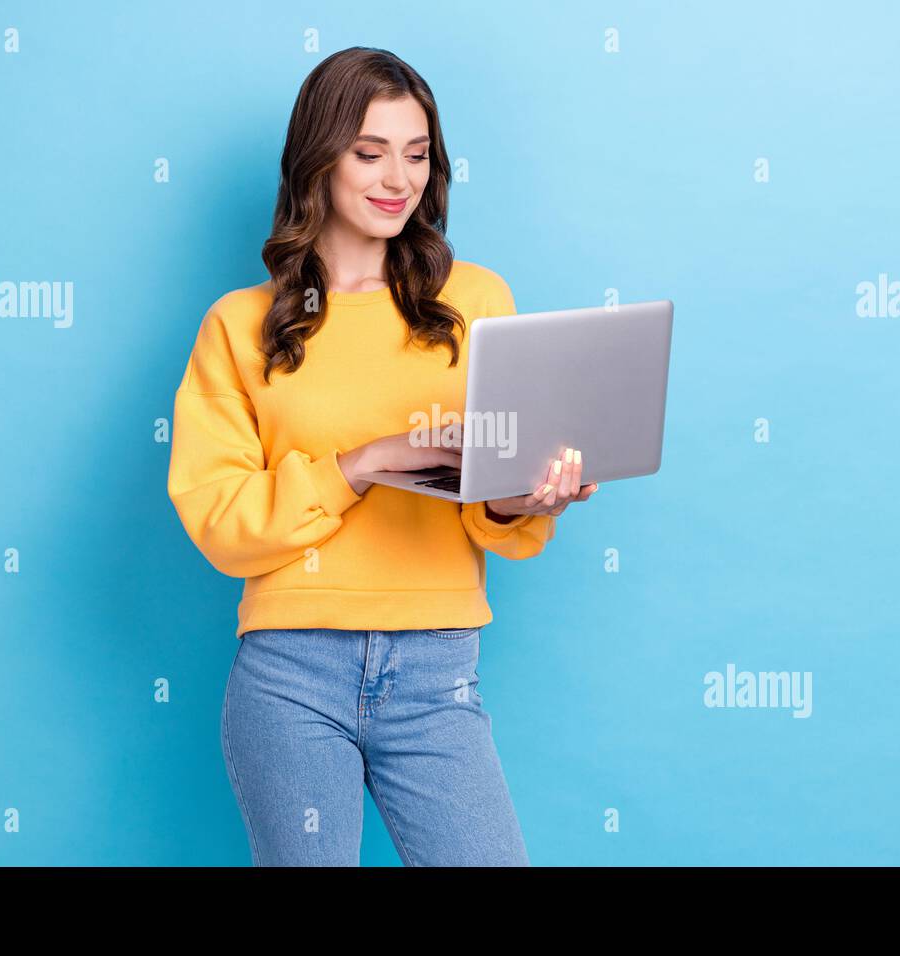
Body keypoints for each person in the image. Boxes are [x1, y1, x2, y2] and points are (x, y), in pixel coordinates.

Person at [167, 46, 597, 866]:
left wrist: (525, 498)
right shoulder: (239, 323)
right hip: (291, 673)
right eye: (369, 153)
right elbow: (221, 522)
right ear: (318, 159)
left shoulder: (475, 302)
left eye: (417, 153)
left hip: (439, 670)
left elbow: (491, 506)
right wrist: (361, 463)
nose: (397, 177)